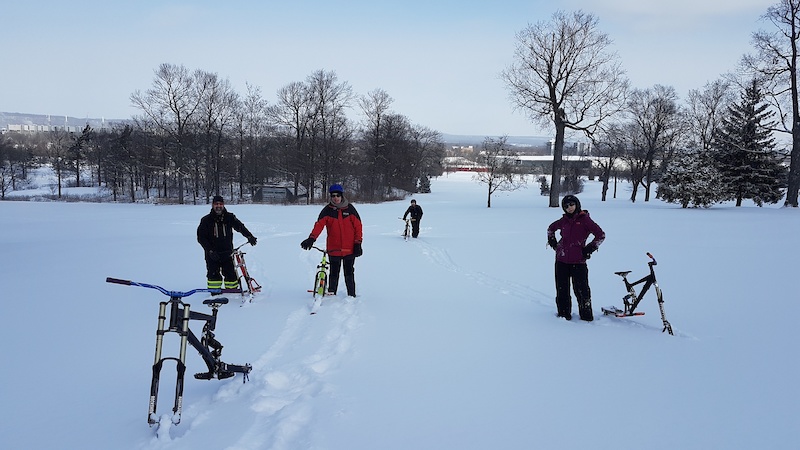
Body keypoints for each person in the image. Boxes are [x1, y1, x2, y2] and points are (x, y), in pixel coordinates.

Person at [546, 194, 605, 321]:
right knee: (562, 291)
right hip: (561, 261)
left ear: (577, 204)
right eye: (566, 206)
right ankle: (563, 315)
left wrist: (589, 249)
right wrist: (552, 241)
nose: (569, 208)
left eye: (572, 204)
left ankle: (586, 317)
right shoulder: (563, 221)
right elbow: (551, 228)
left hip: (578, 261)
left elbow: (600, 235)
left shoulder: (585, 220)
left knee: (582, 291)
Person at [300, 184, 363, 297]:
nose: (335, 198)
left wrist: (358, 243)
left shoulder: (350, 209)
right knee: (334, 273)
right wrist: (311, 238)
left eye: (338, 195)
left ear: (342, 195)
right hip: (334, 248)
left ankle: (351, 295)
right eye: (333, 195)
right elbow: (319, 225)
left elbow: (358, 227)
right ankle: (332, 295)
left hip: (349, 248)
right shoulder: (327, 211)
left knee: (349, 273)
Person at [197, 195, 257, 290]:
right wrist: (210, 251)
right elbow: (201, 238)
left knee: (231, 277)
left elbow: (240, 227)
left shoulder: (229, 217)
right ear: (212, 205)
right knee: (213, 276)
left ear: (223, 205)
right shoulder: (206, 220)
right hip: (212, 254)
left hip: (227, 252)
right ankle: (214, 295)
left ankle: (232, 294)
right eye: (216, 204)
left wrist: (249, 236)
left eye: (220, 204)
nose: (218, 206)